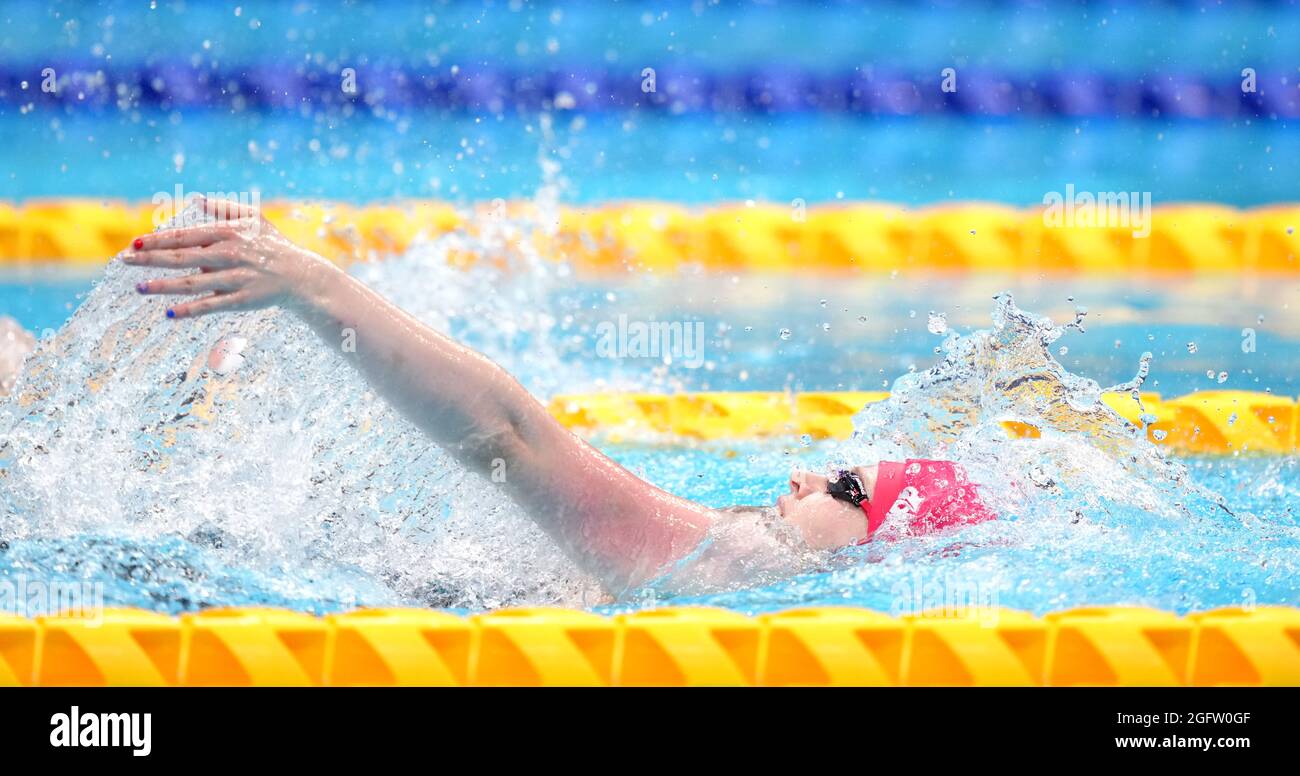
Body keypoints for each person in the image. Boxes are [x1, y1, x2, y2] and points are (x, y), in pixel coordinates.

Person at [123, 198, 995, 596]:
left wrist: (312, 287)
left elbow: (508, 437)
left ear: (883, 553)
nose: (805, 476)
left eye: (847, 488)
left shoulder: (729, 563)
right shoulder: (737, 570)